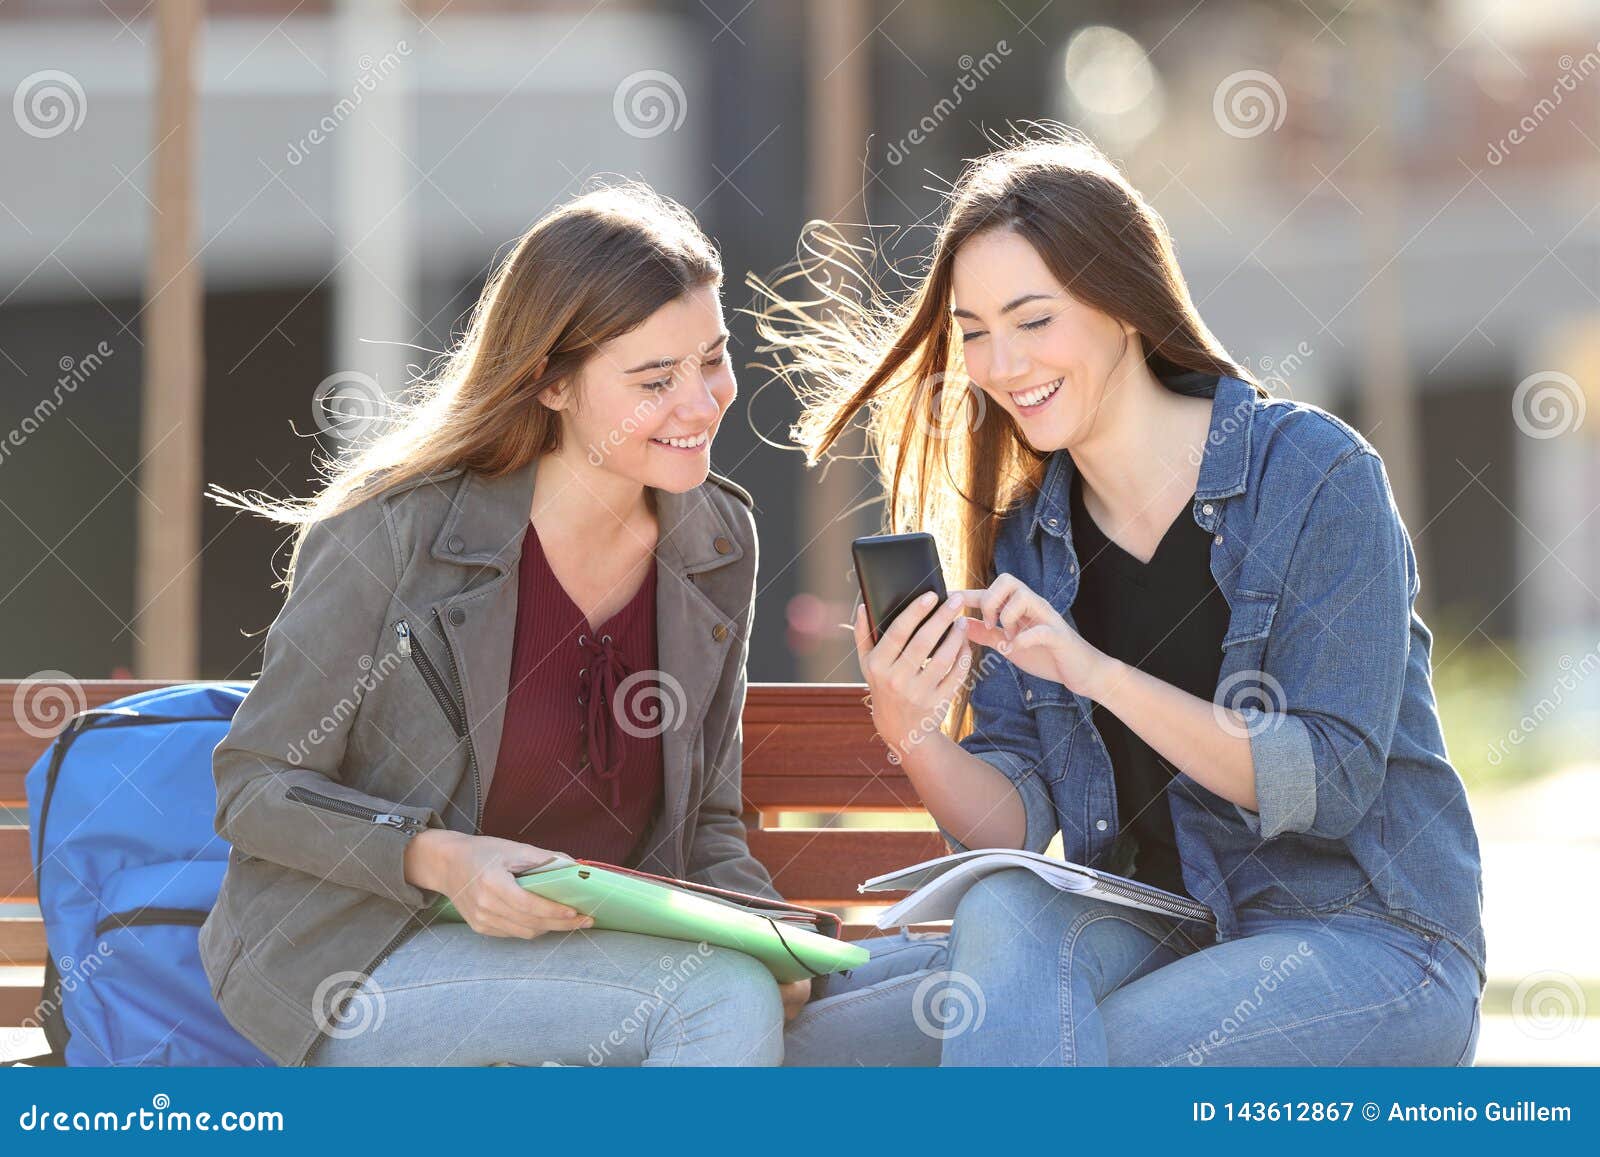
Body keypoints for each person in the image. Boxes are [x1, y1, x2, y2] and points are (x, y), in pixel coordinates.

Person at [760, 128, 1485, 1066]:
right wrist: (913, 729)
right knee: (825, 1035)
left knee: (1079, 1060)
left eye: (1033, 320)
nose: (1001, 364)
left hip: (1366, 939)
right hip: (1161, 931)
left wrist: (1094, 671)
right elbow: (1018, 823)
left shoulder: (1313, 475)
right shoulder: (1031, 534)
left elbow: (1330, 782)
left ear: (1125, 306)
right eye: (973, 332)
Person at [200, 182, 939, 1067]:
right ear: (552, 383)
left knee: (947, 996)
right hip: (367, 957)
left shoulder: (715, 538)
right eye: (654, 380)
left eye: (712, 359)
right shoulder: (394, 533)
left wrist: (768, 934)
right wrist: (443, 859)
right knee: (716, 1000)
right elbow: (256, 786)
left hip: (611, 971)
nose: (702, 403)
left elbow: (703, 822)